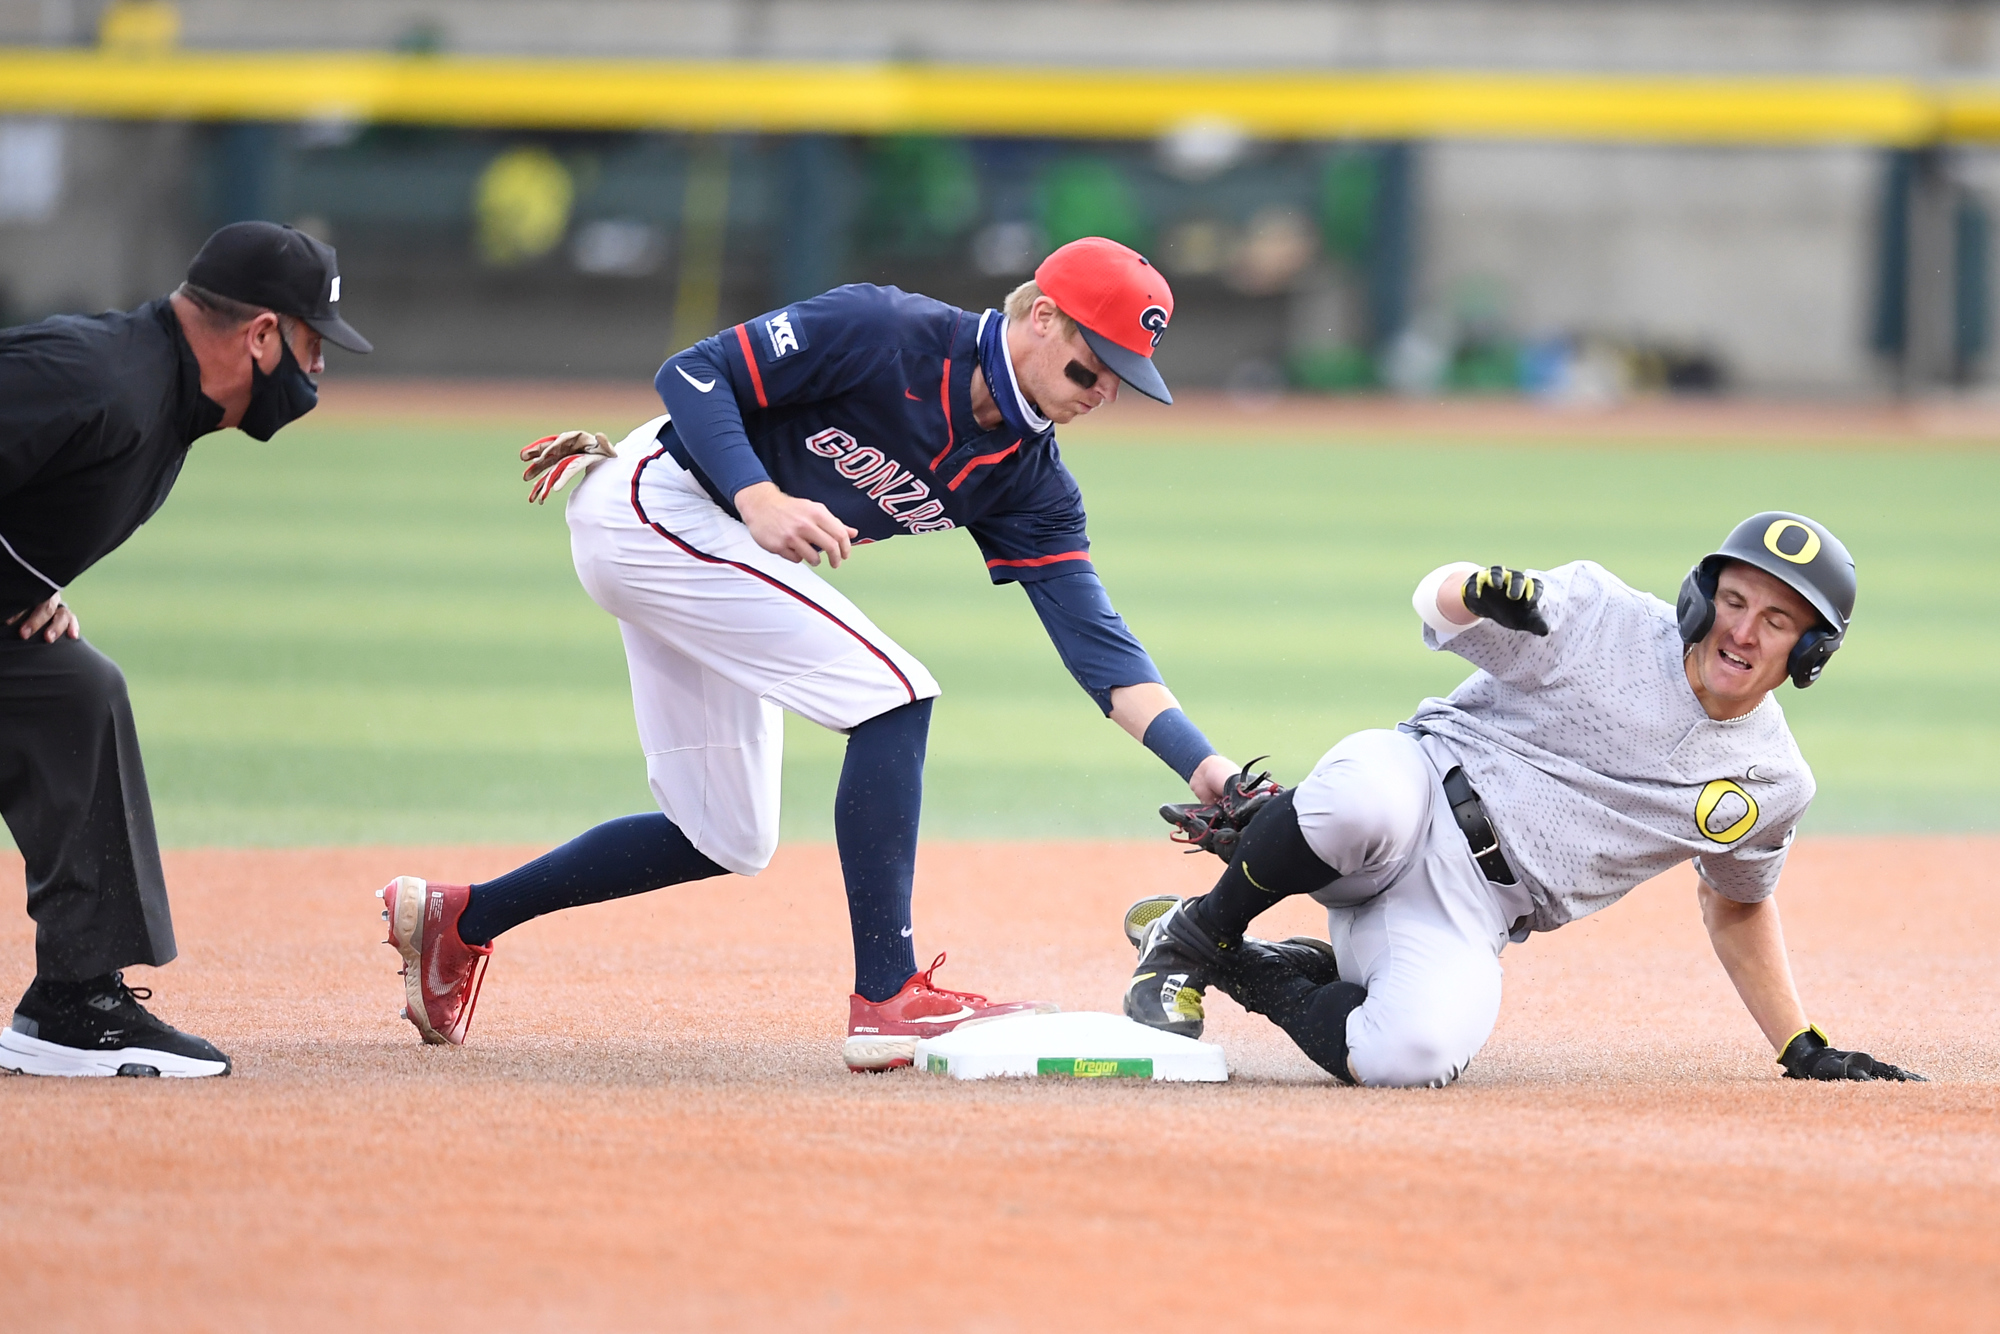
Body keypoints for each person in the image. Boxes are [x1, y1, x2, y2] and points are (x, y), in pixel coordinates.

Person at [380, 237, 1243, 1072]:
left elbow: (1097, 645)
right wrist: (757, 497)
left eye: (1123, 382)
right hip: (659, 503)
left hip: (706, 543)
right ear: (1043, 319)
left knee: (723, 833)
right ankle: (887, 997)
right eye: (1094, 367)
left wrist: (1205, 770)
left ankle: (460, 921)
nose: (1102, 394)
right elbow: (691, 371)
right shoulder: (888, 330)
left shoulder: (1031, 481)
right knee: (894, 695)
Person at [1122, 512, 1926, 1087]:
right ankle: (1194, 938)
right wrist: (1469, 588)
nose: (1743, 631)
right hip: (1416, 793)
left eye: (1777, 620)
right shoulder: (1602, 617)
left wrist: (1799, 1044)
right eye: (1736, 600)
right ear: (1702, 596)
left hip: (1471, 909)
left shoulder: (1773, 783)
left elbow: (1738, 907)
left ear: (1811, 652)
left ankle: (1255, 969)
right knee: (1358, 799)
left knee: (1411, 1057)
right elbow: (1432, 602)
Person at [0, 222, 370, 1078]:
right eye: (314, 346)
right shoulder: (96, 375)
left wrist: (22, 584)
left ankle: (74, 1002)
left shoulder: (161, 395)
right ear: (264, 334)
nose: (318, 371)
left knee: (72, 694)